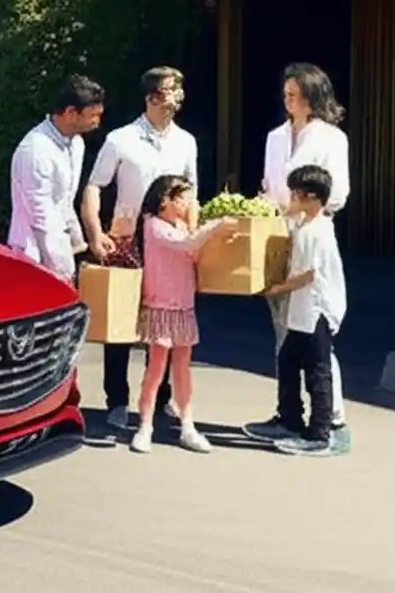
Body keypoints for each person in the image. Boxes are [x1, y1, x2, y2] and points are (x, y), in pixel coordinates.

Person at [81, 66, 198, 430]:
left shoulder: (186, 141)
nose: (177, 96)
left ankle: (160, 398)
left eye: (179, 89)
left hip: (169, 243)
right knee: (121, 321)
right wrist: (95, 232)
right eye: (170, 89)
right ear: (151, 97)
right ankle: (117, 399)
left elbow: (191, 193)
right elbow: (95, 186)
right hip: (127, 239)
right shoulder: (121, 139)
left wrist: (192, 234)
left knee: (165, 321)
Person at [242, 63, 351, 451]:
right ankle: (288, 414)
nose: (287, 99)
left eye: (295, 93)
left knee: (316, 337)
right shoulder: (275, 137)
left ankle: (332, 418)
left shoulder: (331, 138)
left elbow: (338, 193)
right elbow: (269, 185)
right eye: (286, 93)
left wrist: (300, 208)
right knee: (284, 332)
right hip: (277, 235)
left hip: (309, 232)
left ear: (312, 97)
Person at [127, 174, 238, 454]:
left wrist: (210, 233)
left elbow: (194, 250)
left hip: (184, 305)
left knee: (182, 369)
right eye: (184, 199)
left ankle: (187, 426)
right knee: (155, 370)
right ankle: (145, 426)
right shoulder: (153, 225)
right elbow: (187, 245)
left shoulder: (180, 226)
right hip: (160, 305)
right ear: (166, 200)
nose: (189, 204)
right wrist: (214, 226)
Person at [257, 165, 347, 457]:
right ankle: (290, 420)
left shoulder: (316, 232)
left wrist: (277, 289)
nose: (290, 198)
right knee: (288, 360)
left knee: (317, 371)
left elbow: (309, 275)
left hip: (316, 311)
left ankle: (319, 434)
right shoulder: (308, 225)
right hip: (303, 310)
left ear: (310, 197)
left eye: (295, 193)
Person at [7, 74, 105, 282]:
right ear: (71, 113)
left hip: (61, 247)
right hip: (32, 251)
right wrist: (62, 267)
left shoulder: (76, 144)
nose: (97, 122)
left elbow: (65, 201)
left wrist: (78, 242)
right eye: (93, 115)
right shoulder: (35, 150)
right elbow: (41, 216)